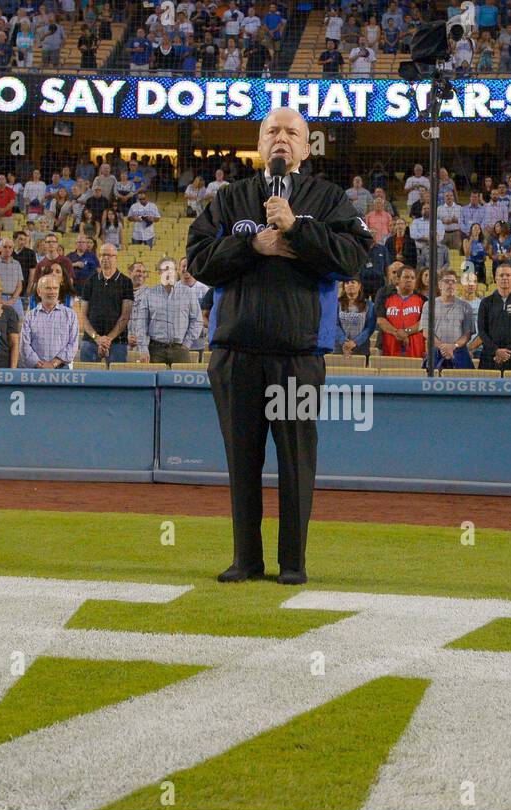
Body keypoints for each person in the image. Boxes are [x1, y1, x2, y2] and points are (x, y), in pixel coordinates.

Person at [185, 106, 372, 585]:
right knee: (241, 460)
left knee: (295, 460)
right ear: (260, 144)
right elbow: (199, 259)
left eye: (292, 132)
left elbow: (354, 258)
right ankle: (245, 560)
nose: (282, 139)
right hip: (235, 356)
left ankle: (293, 564)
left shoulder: (328, 200)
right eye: (273, 131)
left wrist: (296, 228)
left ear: (307, 149)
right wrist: (252, 246)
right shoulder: (229, 199)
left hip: (298, 356)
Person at [77, 243, 133, 364]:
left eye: (109, 255)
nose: (105, 258)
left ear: (116, 258)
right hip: (90, 341)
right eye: (102, 255)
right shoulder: (90, 281)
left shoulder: (126, 282)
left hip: (117, 342)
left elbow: (125, 316)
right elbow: (84, 316)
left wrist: (108, 340)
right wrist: (96, 338)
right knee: (86, 380)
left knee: (116, 381)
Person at [476, 260, 511, 372]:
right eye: (501, 275)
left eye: (508, 275)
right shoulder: (486, 302)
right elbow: (482, 330)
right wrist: (496, 350)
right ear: (496, 278)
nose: (505, 278)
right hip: (490, 356)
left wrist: (508, 351)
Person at [18, 271, 76, 368]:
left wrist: (53, 363)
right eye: (48, 288)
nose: (52, 292)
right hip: (35, 369)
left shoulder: (70, 315)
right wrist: (39, 364)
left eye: (55, 288)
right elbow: (24, 345)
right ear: (39, 292)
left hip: (61, 369)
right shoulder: (30, 316)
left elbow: (73, 345)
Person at [422, 269, 476, 372]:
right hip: (436, 351)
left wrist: (453, 346)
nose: (450, 284)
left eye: (453, 281)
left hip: (459, 351)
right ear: (440, 284)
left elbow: (467, 335)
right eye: (447, 281)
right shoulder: (428, 305)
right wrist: (444, 347)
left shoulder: (466, 306)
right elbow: (426, 332)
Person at [375, 265, 426, 358]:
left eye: (412, 278)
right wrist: (397, 333)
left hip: (415, 347)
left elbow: (423, 322)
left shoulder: (422, 300)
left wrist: (406, 332)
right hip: (388, 346)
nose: (409, 280)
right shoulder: (386, 296)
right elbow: (381, 320)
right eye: (406, 277)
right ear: (398, 279)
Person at [337, 278, 376, 358]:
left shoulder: (369, 305)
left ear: (359, 286)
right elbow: (334, 325)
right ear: (344, 287)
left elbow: (370, 327)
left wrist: (355, 342)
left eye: (353, 282)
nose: (350, 285)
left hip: (361, 348)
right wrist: (344, 342)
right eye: (347, 283)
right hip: (340, 348)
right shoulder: (336, 303)